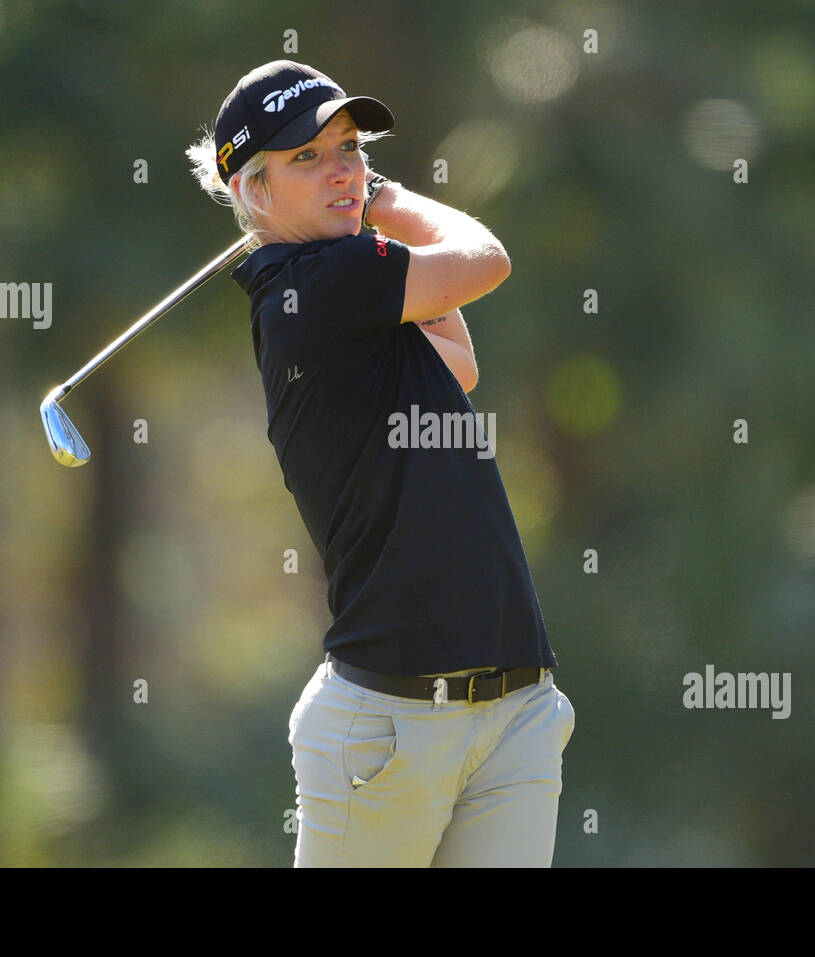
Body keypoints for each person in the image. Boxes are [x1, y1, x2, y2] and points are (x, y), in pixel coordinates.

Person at [186, 59, 574, 867]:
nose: (344, 170)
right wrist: (388, 201)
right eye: (309, 158)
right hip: (392, 729)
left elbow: (457, 363)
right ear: (255, 192)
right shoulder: (323, 284)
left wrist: (362, 212)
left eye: (352, 148)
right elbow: (486, 257)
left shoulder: (346, 286)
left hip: (512, 708)